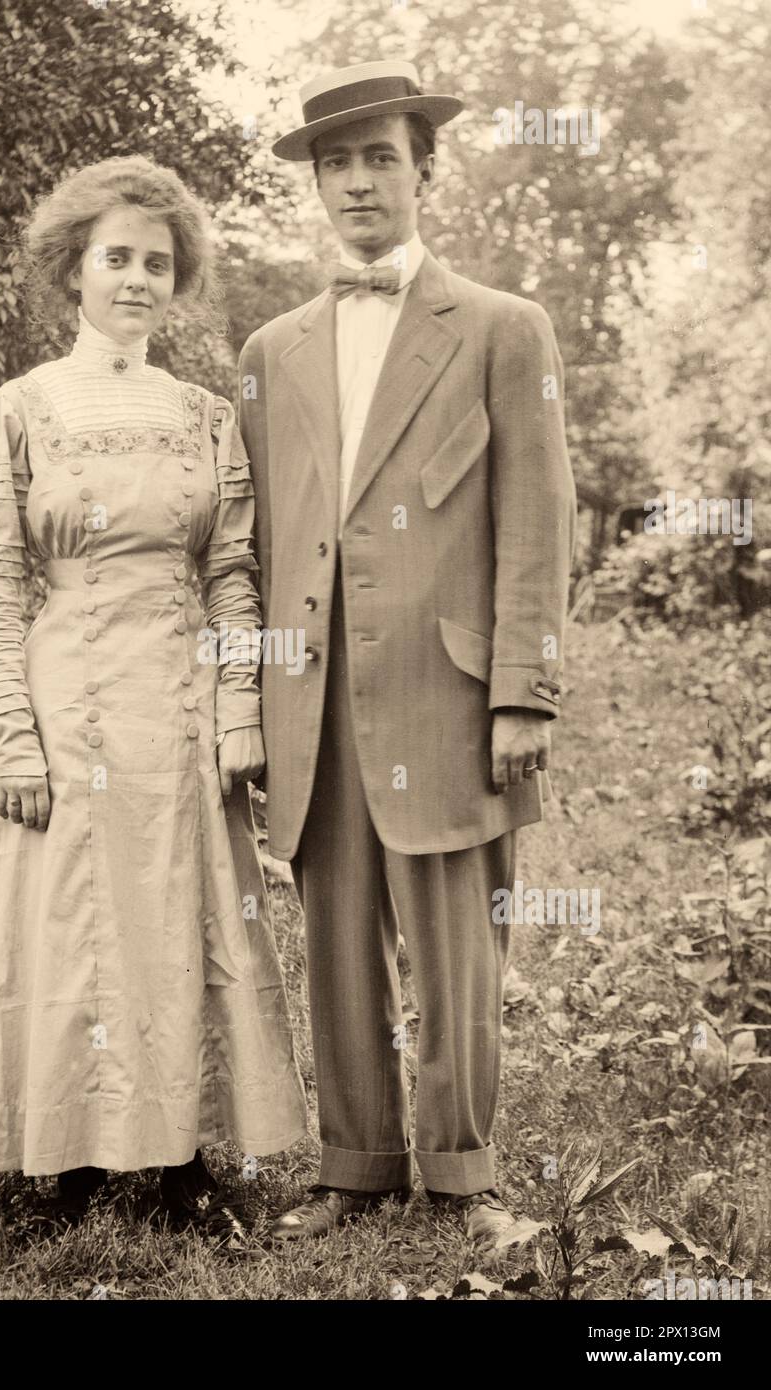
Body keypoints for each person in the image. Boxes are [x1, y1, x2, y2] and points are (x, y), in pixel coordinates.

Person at [237, 61, 576, 1246]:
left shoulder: (499, 326)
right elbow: (263, 536)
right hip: (312, 692)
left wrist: (521, 692)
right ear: (315, 186)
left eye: (378, 156)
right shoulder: (271, 346)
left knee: (456, 940)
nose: (357, 181)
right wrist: (254, 695)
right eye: (335, 163)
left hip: (452, 687)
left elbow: (536, 518)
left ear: (421, 169)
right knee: (333, 935)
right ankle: (356, 1163)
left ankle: (467, 1173)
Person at [0, 154, 307, 1238]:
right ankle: (60, 1159)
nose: (136, 278)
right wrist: (13, 735)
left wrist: (239, 704)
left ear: (176, 276)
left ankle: (183, 1153)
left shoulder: (202, 415)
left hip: (176, 701)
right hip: (61, 699)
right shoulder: (12, 411)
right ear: (74, 271)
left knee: (177, 914)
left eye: (156, 262)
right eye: (116, 258)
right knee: (66, 921)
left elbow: (233, 570)